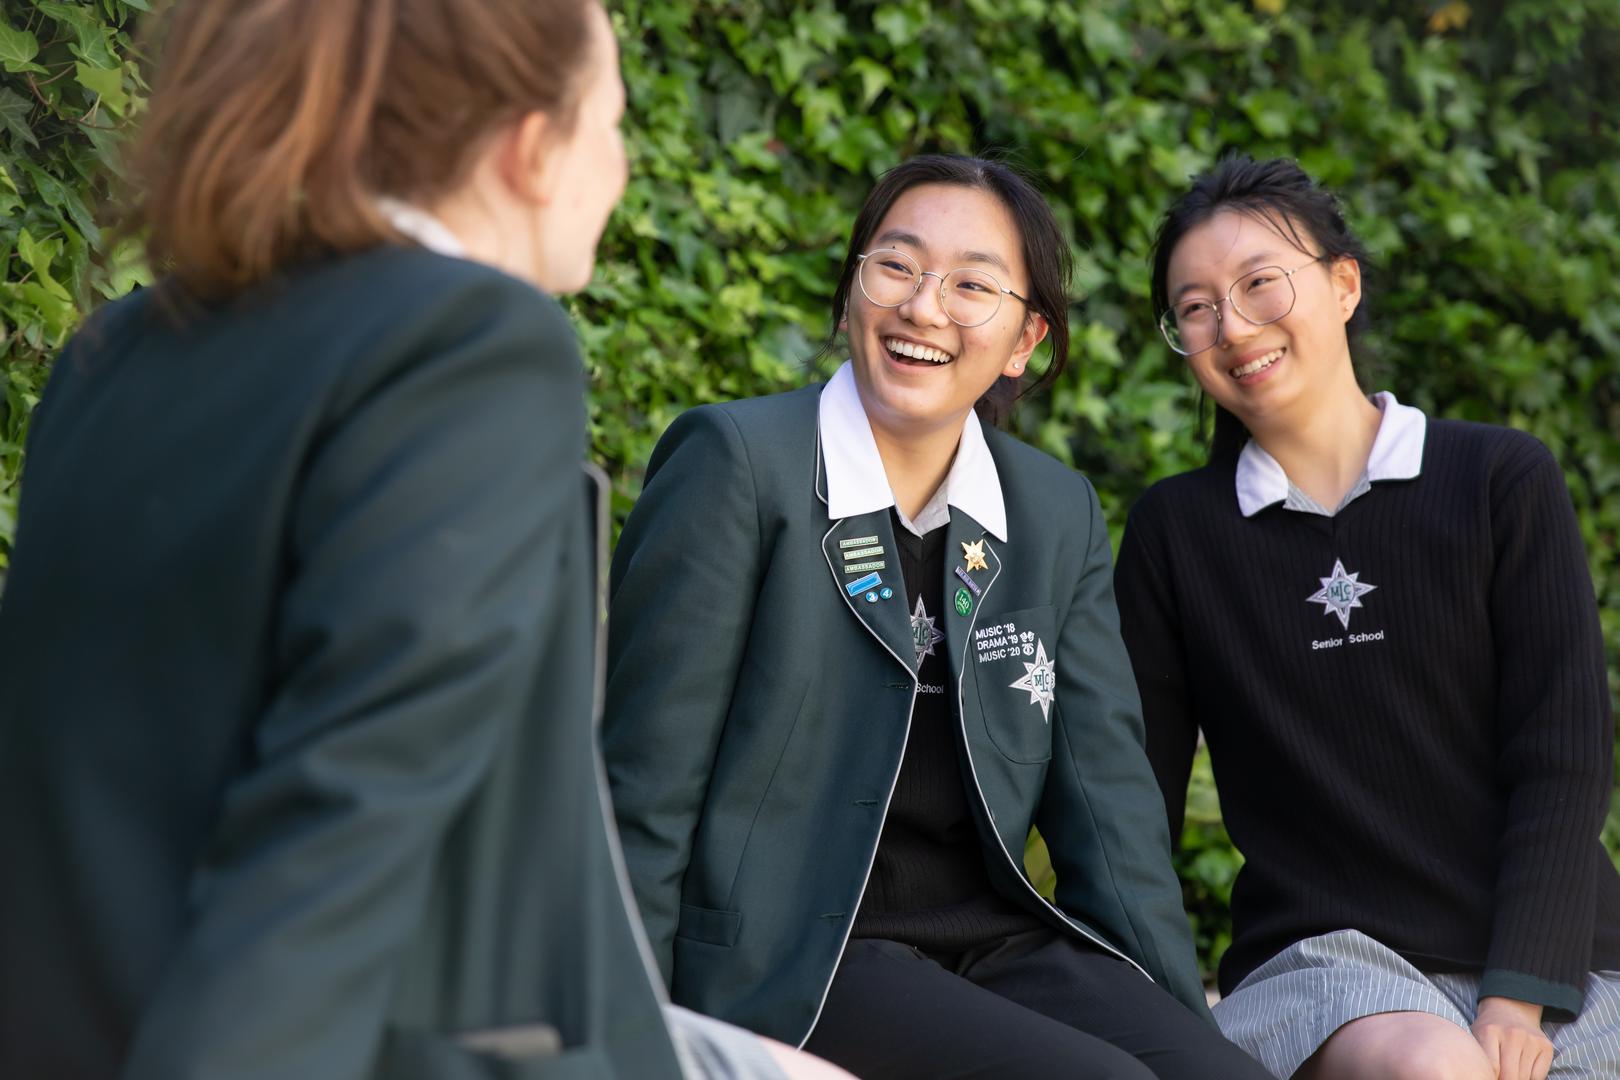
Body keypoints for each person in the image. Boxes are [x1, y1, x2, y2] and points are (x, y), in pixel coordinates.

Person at [0, 2, 846, 1078]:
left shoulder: (121, 343)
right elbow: (342, 821)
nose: (623, 170)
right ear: (532, 149)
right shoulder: (470, 344)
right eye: (613, 124)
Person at [601, 153, 1273, 1080]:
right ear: (851, 294)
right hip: (799, 958)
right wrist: (625, 1035)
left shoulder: (1052, 511)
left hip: (992, 942)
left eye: (972, 285)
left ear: (1025, 339)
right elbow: (645, 787)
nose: (923, 307)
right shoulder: (739, 464)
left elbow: (1110, 809)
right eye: (896, 266)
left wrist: (1177, 1027)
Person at [1114, 154, 1620, 1080]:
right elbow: (1132, 798)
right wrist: (1146, 1001)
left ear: (1343, 285)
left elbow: (1563, 754)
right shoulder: (1175, 534)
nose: (1234, 326)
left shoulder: (1500, 479)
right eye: (1196, 308)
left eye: (1260, 284)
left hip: (1554, 960)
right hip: (1323, 967)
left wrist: (1515, 994)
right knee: (1433, 1067)